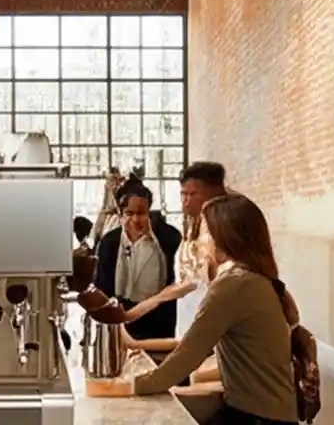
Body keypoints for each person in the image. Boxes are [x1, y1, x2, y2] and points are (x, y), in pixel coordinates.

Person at [87, 194, 300, 425]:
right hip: (264, 412)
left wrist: (119, 388)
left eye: (204, 232)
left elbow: (182, 361)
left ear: (223, 237)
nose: (198, 242)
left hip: (256, 418)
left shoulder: (233, 284)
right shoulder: (251, 278)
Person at [93, 176, 184, 340]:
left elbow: (177, 280)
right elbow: (101, 285)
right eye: (129, 213)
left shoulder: (169, 238)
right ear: (120, 213)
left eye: (141, 213)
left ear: (149, 211)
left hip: (158, 320)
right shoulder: (110, 242)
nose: (135, 219)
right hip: (120, 321)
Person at [175, 161, 228, 336]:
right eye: (183, 193)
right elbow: (188, 283)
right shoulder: (192, 224)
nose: (185, 201)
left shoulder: (223, 231)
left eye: (192, 194)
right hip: (187, 322)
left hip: (213, 329)